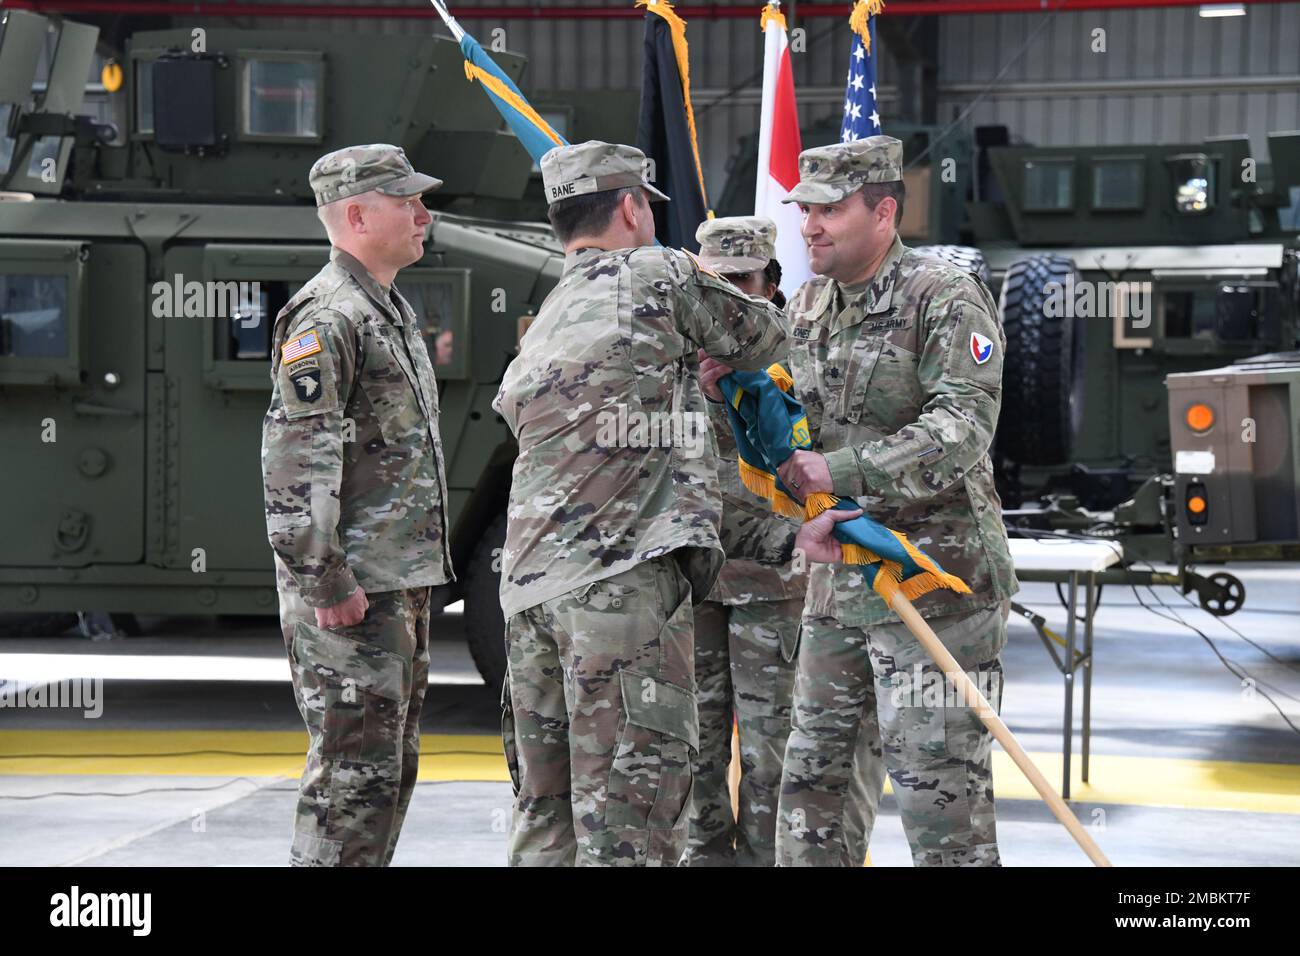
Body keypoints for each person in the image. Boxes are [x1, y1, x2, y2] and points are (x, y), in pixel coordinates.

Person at [701, 134, 1017, 867]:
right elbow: (785, 427)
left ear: (883, 212)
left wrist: (840, 468)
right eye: (803, 208)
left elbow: (963, 426)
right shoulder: (806, 306)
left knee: (941, 800)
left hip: (934, 583)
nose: (809, 225)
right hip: (837, 586)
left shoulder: (940, 297)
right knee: (811, 792)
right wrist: (737, 393)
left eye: (829, 209)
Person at [492, 141, 791, 866]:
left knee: (548, 817)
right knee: (634, 823)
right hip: (618, 594)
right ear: (629, 207)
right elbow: (763, 333)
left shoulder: (554, 308)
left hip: (529, 597)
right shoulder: (655, 272)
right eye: (648, 209)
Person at [261, 144, 454, 866]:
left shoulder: (388, 310)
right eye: (407, 202)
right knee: (350, 780)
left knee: (386, 774)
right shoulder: (328, 317)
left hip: (393, 583)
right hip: (353, 592)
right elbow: (293, 459)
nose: (423, 215)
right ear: (356, 214)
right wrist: (325, 579)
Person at [681, 216, 882, 867]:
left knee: (774, 755)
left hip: (776, 586)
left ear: (770, 284)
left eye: (745, 281)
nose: (733, 297)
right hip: (692, 587)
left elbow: (824, 470)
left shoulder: (802, 360)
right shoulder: (668, 363)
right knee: (693, 754)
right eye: (719, 283)